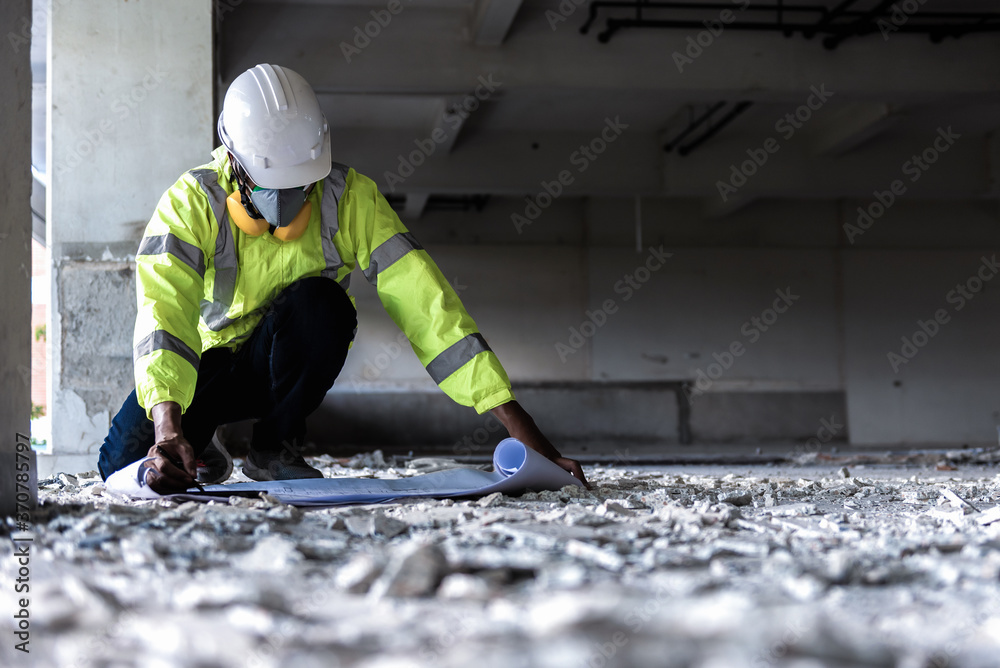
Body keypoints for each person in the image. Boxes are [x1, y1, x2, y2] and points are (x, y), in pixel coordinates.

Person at [97, 63, 587, 493]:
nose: (290, 200)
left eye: (302, 184)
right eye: (273, 184)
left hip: (283, 364)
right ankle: (201, 443)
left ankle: (274, 449)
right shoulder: (192, 202)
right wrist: (167, 426)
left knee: (322, 303)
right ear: (235, 162)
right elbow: (166, 312)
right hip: (206, 367)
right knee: (125, 466)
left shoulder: (349, 199)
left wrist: (516, 421)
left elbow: (426, 303)